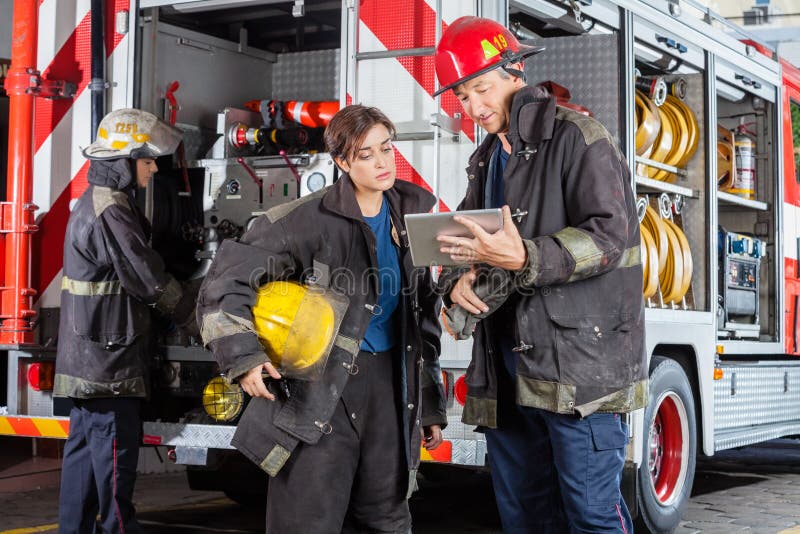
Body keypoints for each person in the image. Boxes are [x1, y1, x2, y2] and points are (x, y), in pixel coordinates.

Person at [433, 17, 647, 533]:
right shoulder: (485, 159)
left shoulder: (579, 138)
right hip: (507, 372)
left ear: (514, 72)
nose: (475, 106)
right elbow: (466, 239)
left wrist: (526, 257)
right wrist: (453, 283)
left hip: (579, 371)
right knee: (524, 515)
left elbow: (609, 238)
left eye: (481, 88)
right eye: (463, 97)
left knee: (591, 514)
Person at [197, 104, 447, 533]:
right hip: (319, 395)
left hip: (391, 390)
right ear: (342, 162)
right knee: (307, 523)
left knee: (387, 519)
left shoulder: (414, 214)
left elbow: (421, 321)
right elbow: (221, 287)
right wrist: (244, 356)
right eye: (366, 154)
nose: (382, 162)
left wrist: (429, 405)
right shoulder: (303, 221)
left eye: (386, 148)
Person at [54, 108, 198, 534]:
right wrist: (196, 316)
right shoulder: (110, 209)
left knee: (83, 468)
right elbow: (148, 279)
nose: (154, 168)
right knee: (115, 475)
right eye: (147, 159)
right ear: (123, 159)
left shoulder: (95, 202)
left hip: (90, 363)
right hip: (109, 365)